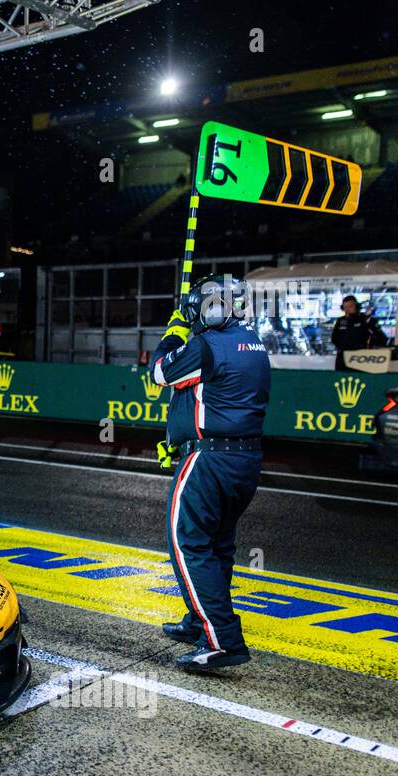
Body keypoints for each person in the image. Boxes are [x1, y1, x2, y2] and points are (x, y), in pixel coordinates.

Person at [151, 274, 271, 671]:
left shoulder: (205, 345)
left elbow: (160, 374)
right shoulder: (255, 345)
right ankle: (197, 620)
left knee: (189, 545)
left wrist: (172, 335)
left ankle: (223, 641)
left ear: (213, 307)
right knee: (217, 548)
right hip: (244, 462)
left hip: (209, 460)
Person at [330, 295, 386, 370]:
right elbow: (334, 338)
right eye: (345, 307)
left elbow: (382, 339)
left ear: (357, 307)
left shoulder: (366, 320)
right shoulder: (340, 321)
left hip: (361, 358)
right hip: (343, 357)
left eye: (350, 306)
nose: (347, 309)